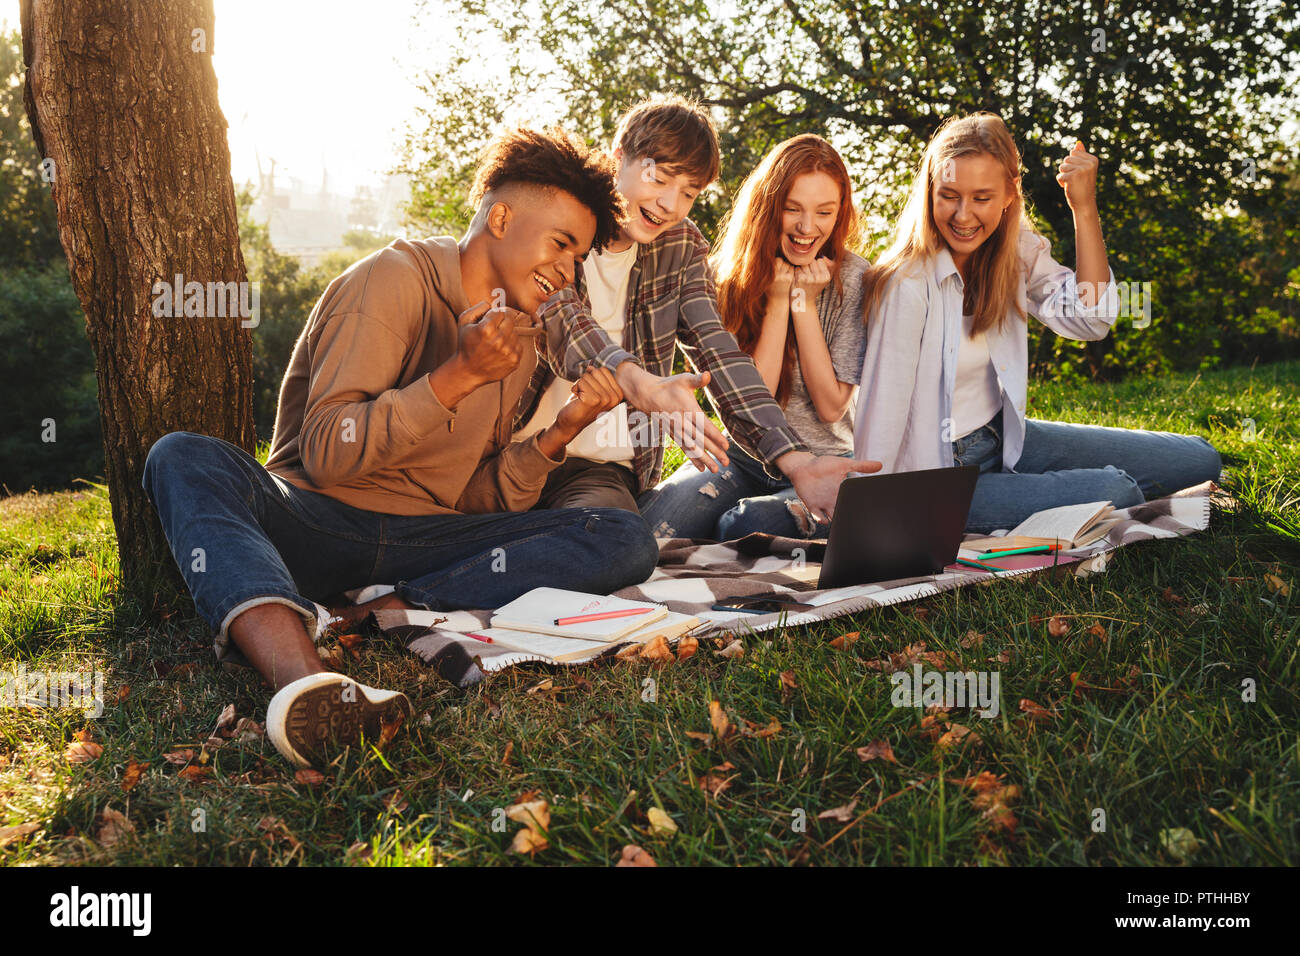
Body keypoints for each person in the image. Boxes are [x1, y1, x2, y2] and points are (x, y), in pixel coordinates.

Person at [142, 128, 658, 767]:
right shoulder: (390, 280)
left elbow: (473, 495)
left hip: (420, 544)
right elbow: (328, 450)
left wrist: (563, 430)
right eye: (561, 244)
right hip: (315, 521)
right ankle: (309, 686)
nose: (567, 271)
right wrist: (457, 377)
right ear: (500, 216)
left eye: (578, 258)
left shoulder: (517, 340)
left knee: (623, 536)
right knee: (183, 455)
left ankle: (389, 611)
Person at [514, 95, 878, 532]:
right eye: (661, 180)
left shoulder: (680, 246)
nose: (670, 203)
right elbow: (567, 322)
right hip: (512, 445)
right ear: (619, 159)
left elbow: (720, 354)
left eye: (688, 192)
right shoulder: (559, 222)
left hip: (595, 468)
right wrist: (641, 384)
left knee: (619, 542)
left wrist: (795, 459)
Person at [853, 112, 1221, 533]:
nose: (963, 215)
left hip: (1006, 438)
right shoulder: (907, 283)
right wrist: (869, 515)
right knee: (1118, 490)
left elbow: (1091, 320)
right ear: (929, 192)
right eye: (949, 195)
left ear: (1010, 193)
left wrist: (1084, 208)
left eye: (982, 197)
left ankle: (1025, 486)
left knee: (1199, 460)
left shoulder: (1015, 254)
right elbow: (880, 412)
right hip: (937, 476)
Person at [640, 134, 868, 540]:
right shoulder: (723, 277)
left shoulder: (855, 278)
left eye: (824, 212)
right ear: (767, 209)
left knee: (745, 525)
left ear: (840, 214)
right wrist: (779, 300)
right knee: (651, 529)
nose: (806, 227)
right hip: (743, 457)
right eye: (792, 209)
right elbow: (753, 401)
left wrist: (803, 304)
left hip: (827, 458)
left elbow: (832, 407)